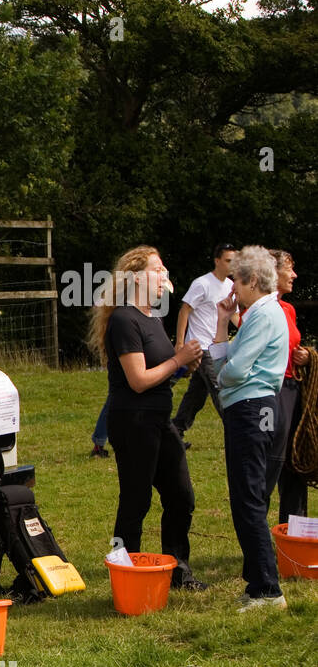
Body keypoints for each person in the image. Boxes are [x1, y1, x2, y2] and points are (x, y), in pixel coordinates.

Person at [89, 245, 206, 590]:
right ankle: (126, 574)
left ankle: (178, 571)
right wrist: (178, 358)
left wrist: (184, 366)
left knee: (181, 496)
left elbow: (161, 368)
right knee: (135, 501)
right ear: (136, 277)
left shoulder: (153, 317)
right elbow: (138, 380)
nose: (165, 276)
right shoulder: (124, 319)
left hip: (158, 420)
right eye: (158, 270)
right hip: (133, 421)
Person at [210, 245, 290, 611]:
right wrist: (222, 321)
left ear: (253, 281)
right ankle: (258, 582)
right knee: (248, 497)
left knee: (249, 499)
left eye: (236, 282)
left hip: (251, 408)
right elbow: (220, 354)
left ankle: (268, 590)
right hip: (251, 407)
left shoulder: (264, 314)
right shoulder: (253, 314)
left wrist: (223, 381)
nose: (232, 290)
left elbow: (234, 369)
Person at [172, 243, 238, 442]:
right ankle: (236, 433)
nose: (231, 265)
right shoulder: (202, 283)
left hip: (216, 347)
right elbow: (185, 311)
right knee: (220, 389)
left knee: (196, 395)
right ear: (217, 261)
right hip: (201, 347)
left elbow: (234, 315)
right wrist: (180, 343)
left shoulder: (230, 286)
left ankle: (175, 431)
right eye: (227, 261)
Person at [264, 249, 309, 524]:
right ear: (273, 272)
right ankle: (256, 542)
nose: (293, 275)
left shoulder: (289, 309)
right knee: (272, 461)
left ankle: (294, 531)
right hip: (273, 391)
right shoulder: (259, 310)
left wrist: (304, 356)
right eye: (288, 269)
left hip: (293, 389)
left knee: (295, 462)